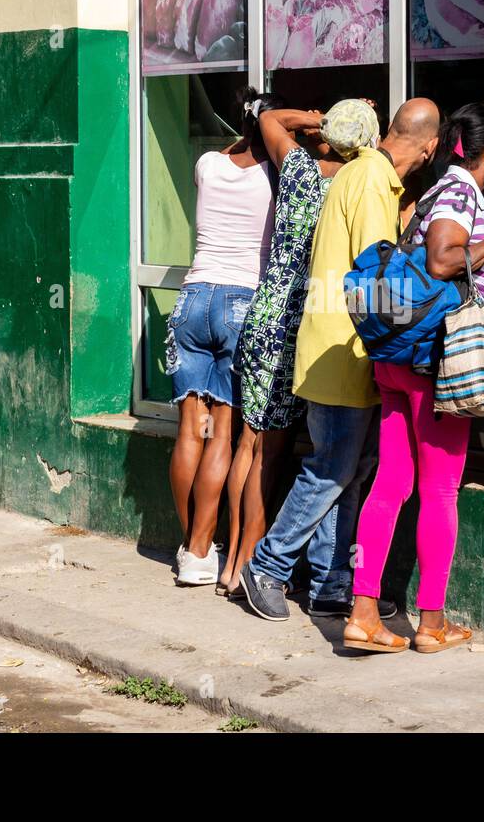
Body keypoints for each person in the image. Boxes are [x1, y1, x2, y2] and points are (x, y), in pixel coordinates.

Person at [240, 98, 443, 622]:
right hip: (344, 350)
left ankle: (332, 582)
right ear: (430, 147)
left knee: (351, 472)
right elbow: (378, 277)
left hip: (332, 347)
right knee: (331, 471)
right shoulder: (374, 183)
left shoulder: (358, 174)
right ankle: (267, 566)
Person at [344, 101, 484, 652]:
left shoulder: (429, 190)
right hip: (431, 362)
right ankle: (430, 623)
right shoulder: (459, 191)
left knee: (392, 483)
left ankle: (363, 615)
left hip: (397, 362)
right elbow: (444, 261)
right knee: (441, 489)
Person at [217, 100, 375, 598]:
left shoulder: (300, 171)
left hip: (265, 313)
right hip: (300, 328)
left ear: (326, 136)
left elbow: (266, 120)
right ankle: (252, 566)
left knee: (250, 442)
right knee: (277, 454)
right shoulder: (350, 184)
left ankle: (231, 561)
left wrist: (314, 118)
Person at [167, 87, 283, 586]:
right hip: (241, 302)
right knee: (223, 431)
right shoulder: (277, 173)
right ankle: (202, 546)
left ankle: (193, 546)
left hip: (192, 298)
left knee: (192, 429)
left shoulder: (207, 164)